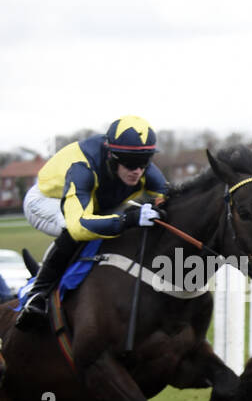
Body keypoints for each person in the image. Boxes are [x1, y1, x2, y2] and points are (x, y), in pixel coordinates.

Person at [18, 116, 168, 332]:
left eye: (144, 162)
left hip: (95, 202)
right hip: (46, 202)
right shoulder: (82, 168)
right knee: (72, 230)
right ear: (111, 156)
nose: (137, 170)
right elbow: (80, 226)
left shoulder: (142, 168)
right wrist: (128, 220)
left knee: (127, 221)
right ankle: (38, 293)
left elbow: (169, 196)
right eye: (130, 162)